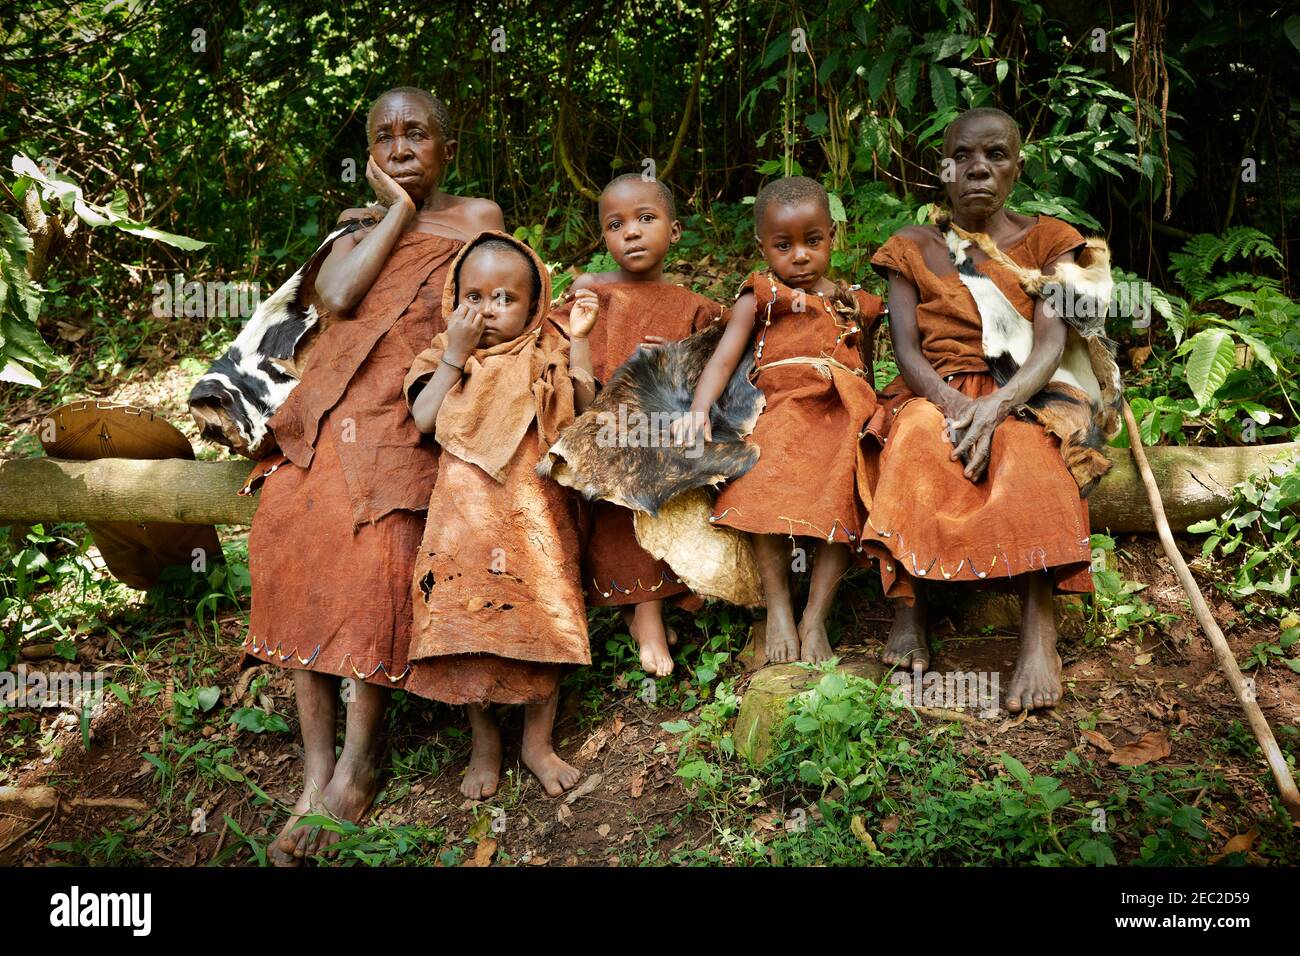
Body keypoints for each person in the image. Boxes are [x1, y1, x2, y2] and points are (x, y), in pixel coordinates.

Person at [243, 87, 503, 864]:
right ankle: (314, 771)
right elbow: (339, 297)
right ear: (367, 154)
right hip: (328, 408)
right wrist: (394, 211)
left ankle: (361, 758)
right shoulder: (353, 233)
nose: (400, 149)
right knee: (288, 519)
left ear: (446, 148)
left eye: (416, 134)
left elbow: (502, 310)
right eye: (384, 137)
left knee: (375, 537)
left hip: (410, 406)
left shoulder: (478, 217)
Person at [862, 107, 1093, 712]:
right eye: (963, 156)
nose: (979, 169)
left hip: (1022, 389)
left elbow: (1050, 345)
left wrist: (996, 408)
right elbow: (906, 351)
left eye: (995, 155)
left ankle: (1039, 633)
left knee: (1029, 452)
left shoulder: (1051, 241)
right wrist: (956, 405)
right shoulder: (912, 248)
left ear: (1018, 167)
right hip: (934, 391)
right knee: (912, 439)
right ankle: (909, 609)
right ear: (943, 169)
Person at [404, 232, 598, 798]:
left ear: (535, 303)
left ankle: (537, 744)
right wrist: (453, 355)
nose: (486, 310)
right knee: (471, 625)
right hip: (462, 522)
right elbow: (422, 418)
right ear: (453, 298)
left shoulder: (549, 350)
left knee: (543, 619)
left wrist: (580, 343)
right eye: (473, 296)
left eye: (505, 298)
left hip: (535, 518)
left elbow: (584, 414)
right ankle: (484, 743)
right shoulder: (444, 353)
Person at [673, 176, 882, 664]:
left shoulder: (853, 301)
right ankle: (781, 606)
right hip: (781, 409)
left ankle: (816, 614)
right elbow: (723, 360)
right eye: (783, 246)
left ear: (833, 236)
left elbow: (865, 369)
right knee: (760, 484)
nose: (801, 257)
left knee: (843, 490)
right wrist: (699, 410)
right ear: (761, 245)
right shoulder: (761, 296)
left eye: (813, 241)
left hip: (844, 410)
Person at [553, 174, 725, 676]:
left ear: (674, 231)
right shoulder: (591, 295)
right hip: (605, 430)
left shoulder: (696, 307)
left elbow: (716, 387)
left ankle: (652, 603)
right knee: (622, 463)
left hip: (672, 436)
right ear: (604, 237)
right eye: (616, 224)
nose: (631, 232)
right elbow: (571, 382)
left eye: (646, 219)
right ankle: (646, 613)